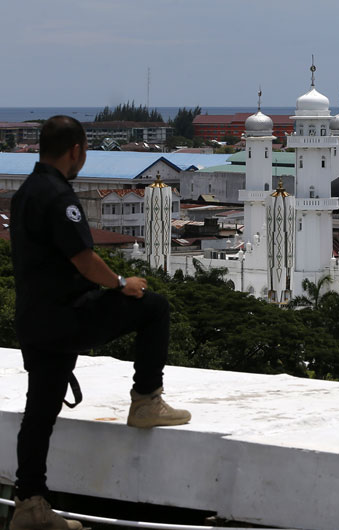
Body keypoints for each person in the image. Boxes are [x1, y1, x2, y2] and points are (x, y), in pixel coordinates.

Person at [9, 116, 191, 530]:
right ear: (75, 150)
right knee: (154, 307)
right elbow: (84, 259)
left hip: (34, 319)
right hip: (68, 315)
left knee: (40, 412)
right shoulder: (59, 196)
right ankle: (146, 400)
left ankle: (29, 504)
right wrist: (123, 282)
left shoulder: (25, 194)